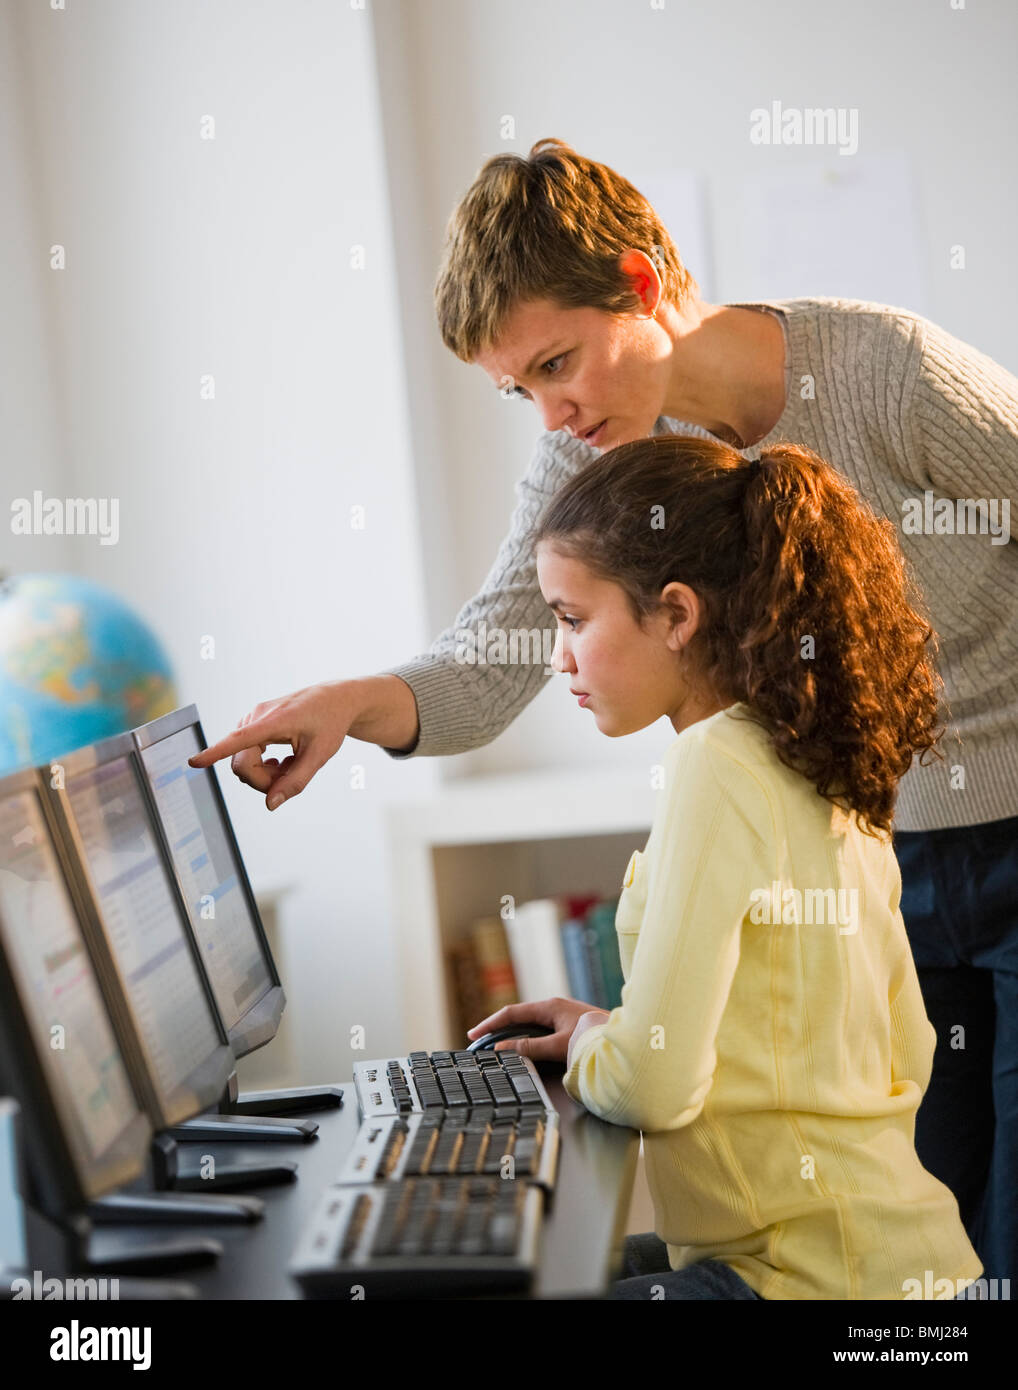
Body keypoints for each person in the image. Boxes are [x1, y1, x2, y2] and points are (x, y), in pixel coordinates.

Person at [188, 139, 1018, 1283]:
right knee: (922, 1230)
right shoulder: (602, 453)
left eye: (557, 362)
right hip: (894, 846)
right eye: (519, 388)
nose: (550, 412)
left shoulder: (887, 371)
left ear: (640, 282)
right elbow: (496, 650)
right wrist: (353, 702)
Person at [468, 432, 983, 1300]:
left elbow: (656, 1086)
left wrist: (603, 1041)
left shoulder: (716, 763)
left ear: (676, 613)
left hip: (801, 1281)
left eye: (572, 620)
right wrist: (616, 1030)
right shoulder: (821, 753)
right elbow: (907, 1048)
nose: (559, 659)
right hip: (916, 1272)